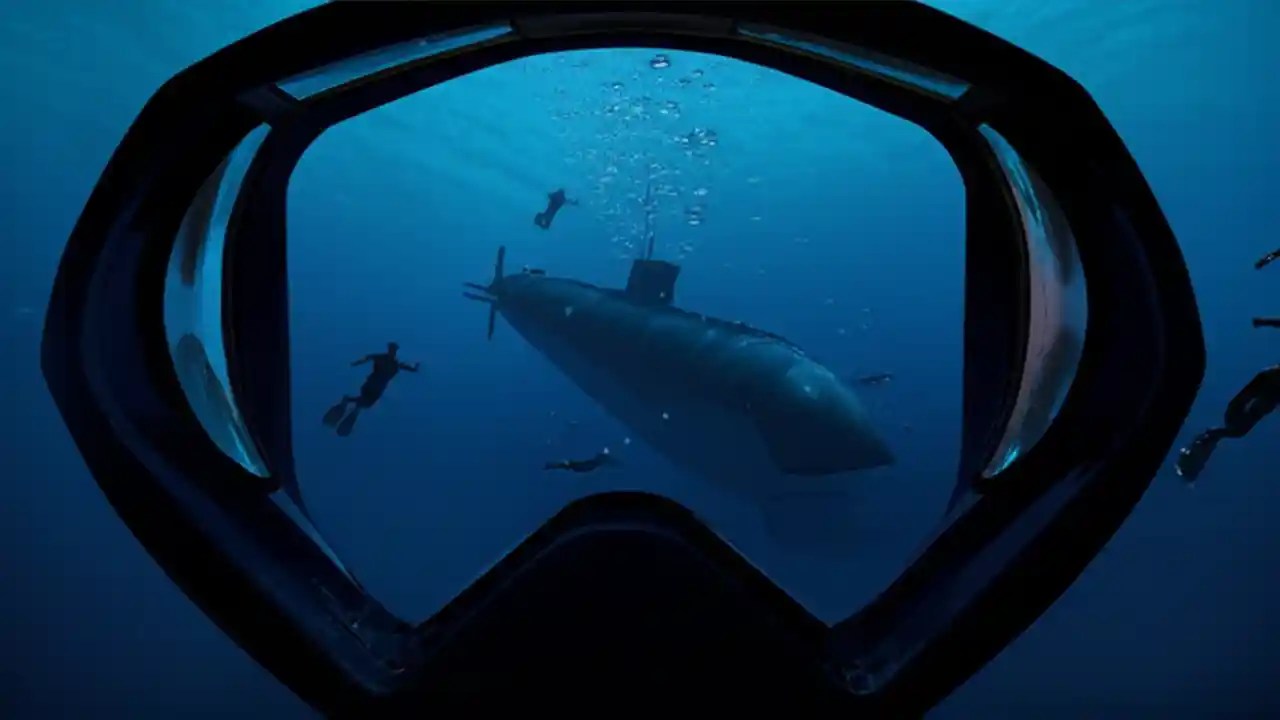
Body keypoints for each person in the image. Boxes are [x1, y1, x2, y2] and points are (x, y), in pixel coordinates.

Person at [1176, 366, 1280, 482]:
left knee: (1236, 429)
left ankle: (1199, 450)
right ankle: (1198, 451)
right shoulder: (1269, 380)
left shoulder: (1269, 380)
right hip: (1243, 409)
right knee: (1237, 429)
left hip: (1243, 408)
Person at [322, 342, 419, 437]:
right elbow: (368, 357)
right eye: (392, 350)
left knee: (364, 403)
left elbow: (408, 368)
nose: (392, 353)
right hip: (372, 387)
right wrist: (356, 363)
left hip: (374, 389)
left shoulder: (394, 363)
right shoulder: (386, 360)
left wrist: (415, 367)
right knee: (364, 402)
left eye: (393, 351)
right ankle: (349, 405)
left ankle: (350, 406)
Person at [544, 448, 615, 474]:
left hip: (581, 467)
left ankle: (550, 465)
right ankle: (550, 465)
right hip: (581, 467)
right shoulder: (596, 463)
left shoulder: (595, 463)